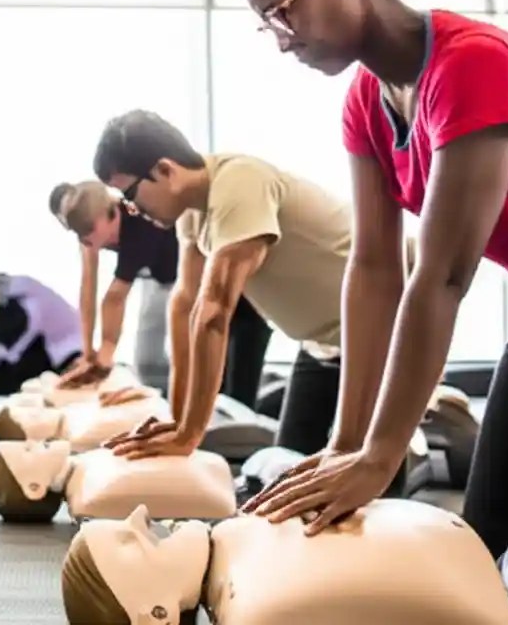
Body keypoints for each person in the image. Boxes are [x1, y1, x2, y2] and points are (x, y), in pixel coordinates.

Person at [233, 0, 508, 553]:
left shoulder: (472, 65)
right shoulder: (366, 103)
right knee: (494, 539)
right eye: (266, 22)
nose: (281, 36)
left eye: (284, 9)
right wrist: (345, 443)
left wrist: (382, 457)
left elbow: (442, 277)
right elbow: (376, 270)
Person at [90, 111, 397, 477]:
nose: (133, 210)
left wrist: (190, 433)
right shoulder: (193, 213)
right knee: (283, 479)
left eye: (129, 195)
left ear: (165, 170)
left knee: (364, 491)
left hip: (386, 337)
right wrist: (178, 419)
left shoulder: (239, 182)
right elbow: (185, 307)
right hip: (322, 346)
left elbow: (214, 311)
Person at [49, 181, 274, 403]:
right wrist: (89, 353)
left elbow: (115, 298)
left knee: (233, 388)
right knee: (213, 388)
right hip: (179, 281)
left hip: (213, 283)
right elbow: (90, 289)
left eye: (87, 232)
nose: (85, 240)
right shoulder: (96, 226)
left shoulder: (137, 228)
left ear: (110, 213)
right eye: (78, 234)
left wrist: (105, 355)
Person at [0, 273, 84, 395]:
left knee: (1, 382)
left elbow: (32, 327)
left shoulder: (18, 299)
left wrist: (7, 356)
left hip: (60, 346)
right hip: (35, 348)